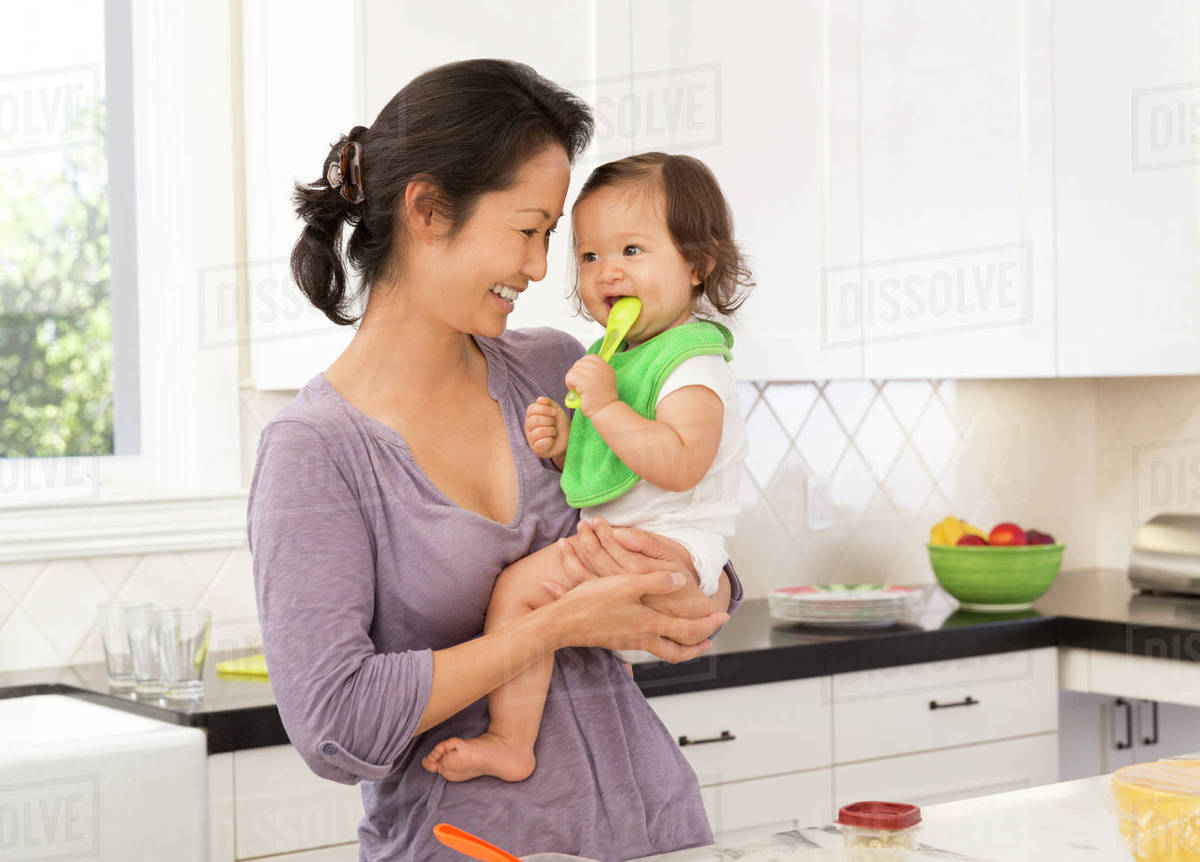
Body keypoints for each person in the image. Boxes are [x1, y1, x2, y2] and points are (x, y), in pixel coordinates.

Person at [246, 59, 743, 862]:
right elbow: (335, 725)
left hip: (659, 828)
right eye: (527, 229)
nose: (544, 267)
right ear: (428, 210)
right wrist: (559, 624)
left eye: (552, 235)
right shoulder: (315, 452)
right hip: (472, 845)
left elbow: (675, 511)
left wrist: (699, 586)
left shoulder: (555, 369)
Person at [421, 152, 753, 785]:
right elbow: (617, 464)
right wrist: (566, 441)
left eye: (632, 249)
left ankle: (510, 741)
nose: (607, 272)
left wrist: (601, 405)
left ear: (697, 265)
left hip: (670, 549)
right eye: (591, 255)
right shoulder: (619, 356)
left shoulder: (693, 366)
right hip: (638, 544)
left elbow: (680, 463)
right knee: (569, 622)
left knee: (520, 591)